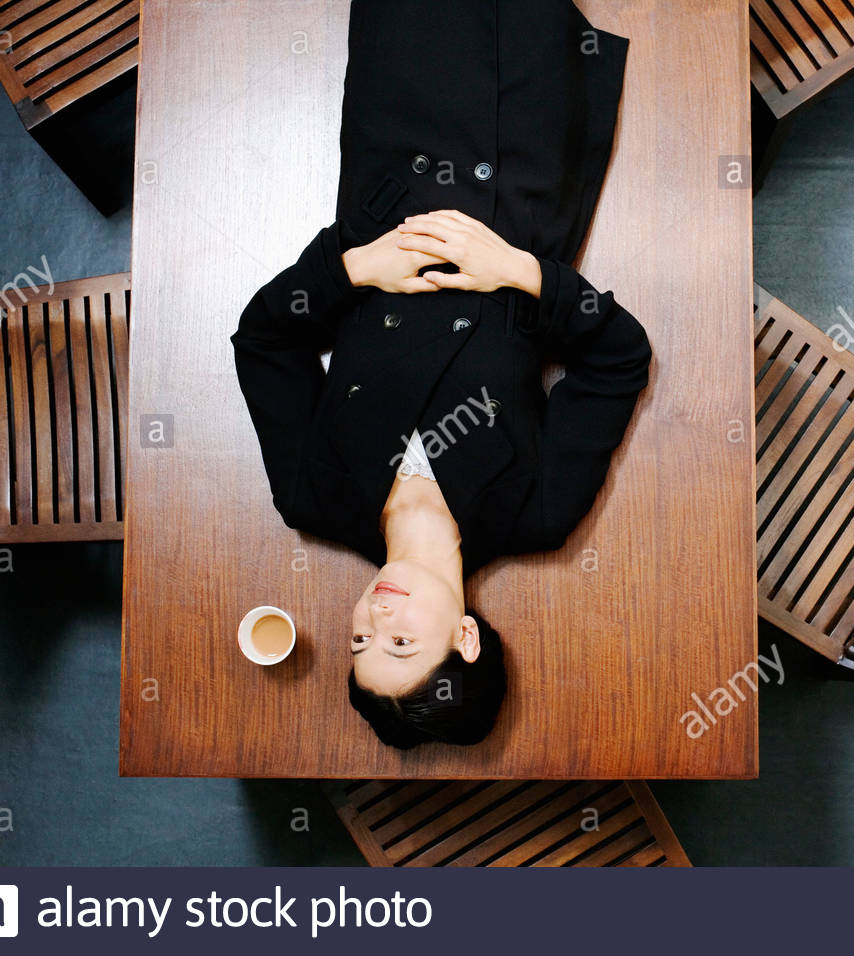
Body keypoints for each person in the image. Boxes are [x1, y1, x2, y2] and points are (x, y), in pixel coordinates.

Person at [231, 1, 647, 749]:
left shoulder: (314, 498)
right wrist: (520, 273)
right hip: (520, 184)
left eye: (361, 646)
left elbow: (264, 342)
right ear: (466, 638)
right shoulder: (533, 514)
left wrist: (354, 266)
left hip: (391, 169)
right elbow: (618, 360)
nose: (375, 622)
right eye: (401, 646)